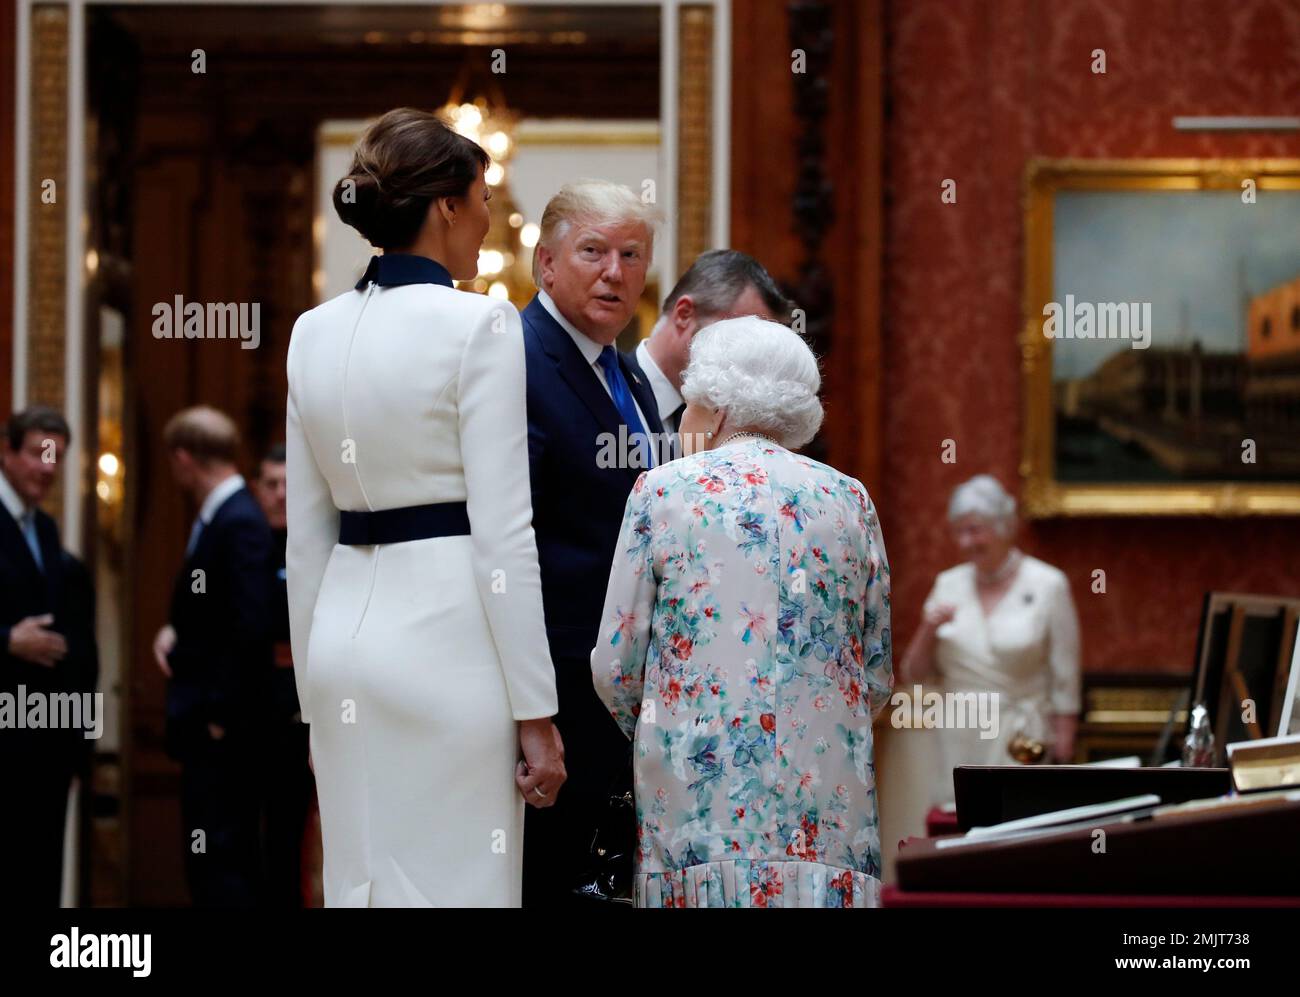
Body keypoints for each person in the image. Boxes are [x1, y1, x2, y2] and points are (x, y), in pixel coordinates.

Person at [288, 107, 563, 908]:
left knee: (361, 888)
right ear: (446, 205)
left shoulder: (313, 331)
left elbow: (306, 543)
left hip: (341, 647)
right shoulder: (480, 322)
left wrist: (314, 702)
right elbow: (505, 532)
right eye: (481, 198)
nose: (487, 219)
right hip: (451, 649)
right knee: (460, 888)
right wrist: (536, 710)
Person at [591, 316, 893, 908]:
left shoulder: (662, 491)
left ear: (718, 410)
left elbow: (616, 668)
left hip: (696, 830)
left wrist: (673, 724)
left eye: (690, 408)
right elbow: (876, 675)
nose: (683, 423)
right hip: (827, 836)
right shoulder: (851, 500)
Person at [520, 179, 665, 906]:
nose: (616, 271)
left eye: (632, 254)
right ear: (546, 263)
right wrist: (531, 710)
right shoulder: (518, 358)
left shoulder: (628, 371)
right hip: (552, 683)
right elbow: (508, 535)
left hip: (621, 687)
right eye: (594, 251)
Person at [898, 474, 1081, 803]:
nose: (966, 542)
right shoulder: (947, 585)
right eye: (959, 531)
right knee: (958, 828)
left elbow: (1065, 675)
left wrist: (1064, 744)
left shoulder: (1048, 584)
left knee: (1019, 832)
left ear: (1004, 526)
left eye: (975, 529)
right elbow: (914, 673)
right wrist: (927, 629)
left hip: (1022, 738)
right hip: (958, 738)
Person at [154, 405, 272, 906]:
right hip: (211, 728)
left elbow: (250, 626)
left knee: (220, 865)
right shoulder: (223, 517)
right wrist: (175, 632)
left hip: (221, 734)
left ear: (183, 459)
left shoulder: (237, 521)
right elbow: (216, 616)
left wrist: (220, 715)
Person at [0, 407, 99, 906]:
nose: (47, 467)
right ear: (7, 452)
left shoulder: (45, 530)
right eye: (38, 454)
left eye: (57, 457)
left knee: (39, 879)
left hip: (44, 746)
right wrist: (6, 641)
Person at [625, 249, 793, 450]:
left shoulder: (735, 421)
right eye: (741, 339)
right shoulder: (611, 392)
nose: (752, 359)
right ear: (684, 314)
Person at [252, 444, 316, 907]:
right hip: (256, 708)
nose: (279, 494)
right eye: (270, 484)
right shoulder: (244, 544)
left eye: (288, 484)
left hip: (311, 702)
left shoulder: (317, 546)